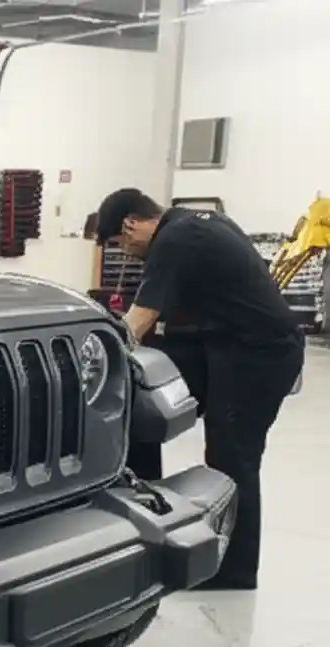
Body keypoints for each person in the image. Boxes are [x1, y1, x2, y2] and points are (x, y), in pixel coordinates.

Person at [95, 188, 305, 591]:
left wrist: (95, 353)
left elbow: (136, 324)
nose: (127, 253)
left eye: (121, 245)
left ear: (130, 224)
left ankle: (233, 570)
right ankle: (146, 511)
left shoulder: (175, 240)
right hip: (226, 344)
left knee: (233, 457)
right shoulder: (197, 222)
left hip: (258, 354)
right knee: (139, 401)